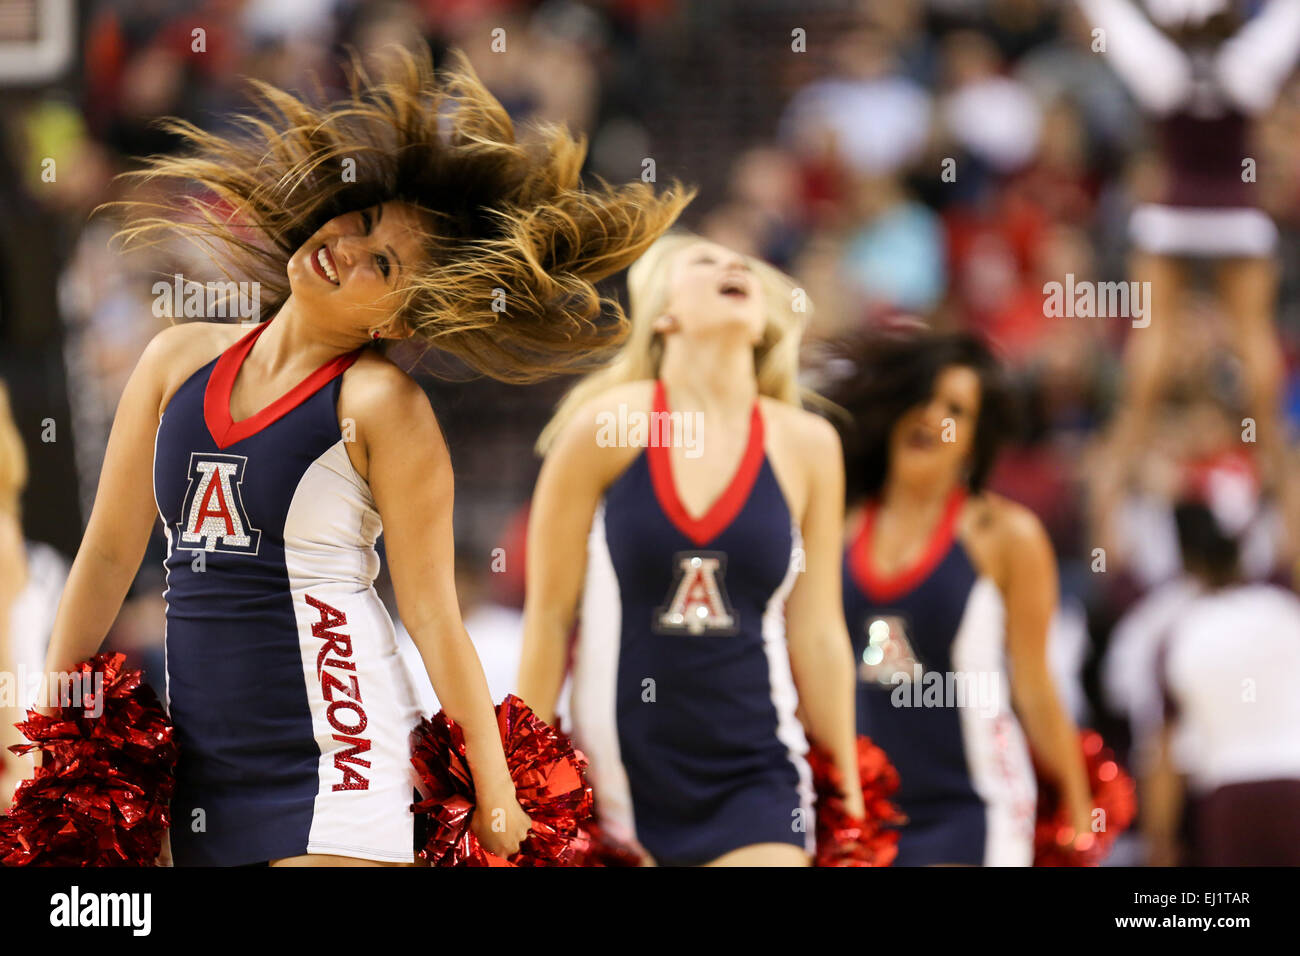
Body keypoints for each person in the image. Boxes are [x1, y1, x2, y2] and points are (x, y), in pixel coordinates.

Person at [34, 45, 691, 867]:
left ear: (395, 322)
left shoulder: (381, 405)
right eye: (365, 221)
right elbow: (107, 552)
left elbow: (433, 615)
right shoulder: (176, 358)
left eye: (382, 263)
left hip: (337, 758)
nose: (348, 245)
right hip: (197, 770)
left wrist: (495, 788)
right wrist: (56, 721)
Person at [518, 233, 865, 867]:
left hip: (757, 773)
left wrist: (849, 793)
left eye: (741, 266)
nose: (733, 262)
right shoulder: (606, 425)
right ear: (664, 315)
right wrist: (525, 782)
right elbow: (548, 617)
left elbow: (817, 631)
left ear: (762, 323)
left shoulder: (808, 444)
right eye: (703, 262)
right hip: (622, 776)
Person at [822, 327, 1093, 865]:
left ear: (974, 439)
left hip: (974, 809)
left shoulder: (1005, 535)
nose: (933, 417)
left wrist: (1081, 810)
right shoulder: (838, 527)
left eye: (956, 410)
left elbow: (1036, 686)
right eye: (923, 398)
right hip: (869, 820)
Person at [1143, 498, 1300, 866]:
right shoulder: (1287, 612)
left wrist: (1160, 842)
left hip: (1228, 804)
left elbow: (1163, 750)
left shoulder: (1181, 633)